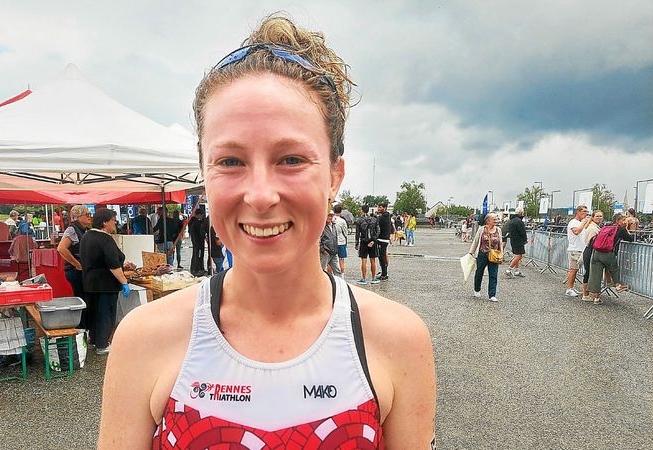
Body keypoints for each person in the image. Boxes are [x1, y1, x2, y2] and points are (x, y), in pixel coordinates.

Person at [99, 15, 435, 449]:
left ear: (335, 176)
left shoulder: (396, 339)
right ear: (204, 173)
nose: (259, 195)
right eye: (231, 161)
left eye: (291, 159)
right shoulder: (145, 338)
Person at [80, 209, 130, 355]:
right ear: (104, 222)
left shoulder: (87, 236)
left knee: (94, 312)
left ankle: (94, 340)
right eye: (113, 219)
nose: (115, 222)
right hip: (105, 284)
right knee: (105, 313)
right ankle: (102, 344)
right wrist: (124, 281)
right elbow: (112, 264)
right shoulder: (105, 238)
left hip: (90, 282)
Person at [57, 205, 92, 329]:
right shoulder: (72, 229)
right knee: (82, 298)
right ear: (78, 217)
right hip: (75, 271)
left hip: (81, 270)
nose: (90, 217)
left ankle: (85, 327)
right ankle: (81, 328)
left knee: (85, 297)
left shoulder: (85, 229)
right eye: (86, 214)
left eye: (89, 214)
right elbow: (61, 248)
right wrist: (77, 264)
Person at [588, 213, 634, 305]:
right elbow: (630, 239)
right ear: (618, 221)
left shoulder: (606, 226)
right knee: (614, 268)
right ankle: (618, 285)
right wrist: (626, 228)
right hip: (608, 253)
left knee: (595, 275)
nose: (625, 221)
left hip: (596, 252)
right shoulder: (620, 229)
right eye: (623, 220)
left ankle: (596, 298)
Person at [469, 212, 502, 302]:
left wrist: (501, 254)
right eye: (494, 219)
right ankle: (477, 290)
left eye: (496, 219)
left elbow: (500, 242)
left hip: (494, 255)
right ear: (488, 221)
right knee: (479, 272)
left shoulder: (498, 230)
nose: (496, 221)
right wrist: (471, 252)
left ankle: (492, 295)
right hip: (482, 254)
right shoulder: (481, 229)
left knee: (493, 275)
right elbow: (476, 241)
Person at [565, 205, 591, 297]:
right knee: (573, 269)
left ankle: (571, 287)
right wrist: (583, 223)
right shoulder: (573, 222)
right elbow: (576, 232)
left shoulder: (581, 222)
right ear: (578, 212)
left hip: (581, 249)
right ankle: (569, 288)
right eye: (583, 212)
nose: (585, 214)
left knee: (576, 270)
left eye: (586, 212)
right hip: (574, 249)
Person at [580, 210, 604, 301]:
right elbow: (593, 242)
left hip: (590, 251)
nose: (599, 218)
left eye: (600, 216)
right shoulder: (593, 228)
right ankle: (585, 294)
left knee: (590, 273)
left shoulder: (595, 227)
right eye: (597, 216)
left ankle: (588, 293)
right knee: (589, 273)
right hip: (590, 251)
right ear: (593, 217)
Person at [355, 205, 380, 285]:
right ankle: (373, 278)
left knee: (363, 260)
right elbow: (378, 231)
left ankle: (363, 278)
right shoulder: (374, 219)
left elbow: (357, 233)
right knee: (373, 260)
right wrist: (373, 240)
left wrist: (357, 243)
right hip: (372, 241)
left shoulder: (359, 220)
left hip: (363, 241)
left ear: (362, 210)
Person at [505, 207, 527, 278]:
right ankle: (509, 270)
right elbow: (522, 231)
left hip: (513, 240)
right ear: (521, 213)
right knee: (519, 256)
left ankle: (516, 271)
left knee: (516, 255)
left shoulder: (511, 220)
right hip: (518, 241)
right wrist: (525, 239)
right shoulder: (519, 221)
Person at [320, 210, 342, 277]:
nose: (330, 217)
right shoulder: (322, 226)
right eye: (329, 215)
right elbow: (318, 240)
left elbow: (335, 238)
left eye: (331, 216)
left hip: (333, 252)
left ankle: (340, 285)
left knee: (337, 271)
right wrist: (323, 250)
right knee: (322, 270)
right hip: (325, 253)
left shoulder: (333, 225)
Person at [376, 202, 393, 281]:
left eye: (380, 207)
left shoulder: (383, 217)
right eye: (378, 207)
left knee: (382, 257)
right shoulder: (387, 216)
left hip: (382, 239)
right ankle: (384, 273)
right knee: (382, 256)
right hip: (385, 239)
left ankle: (384, 274)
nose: (378, 208)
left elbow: (378, 227)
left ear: (385, 208)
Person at [188, 207, 206, 276]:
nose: (201, 217)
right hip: (198, 242)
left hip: (195, 241)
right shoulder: (197, 223)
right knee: (198, 256)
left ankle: (194, 269)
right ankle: (196, 269)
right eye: (201, 215)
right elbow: (200, 233)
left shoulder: (192, 222)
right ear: (199, 215)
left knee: (195, 255)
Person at [332, 204, 348, 275]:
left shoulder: (330, 219)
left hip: (332, 242)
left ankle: (330, 277)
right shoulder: (342, 221)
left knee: (330, 261)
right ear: (341, 211)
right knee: (341, 260)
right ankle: (342, 277)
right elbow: (345, 232)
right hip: (341, 242)